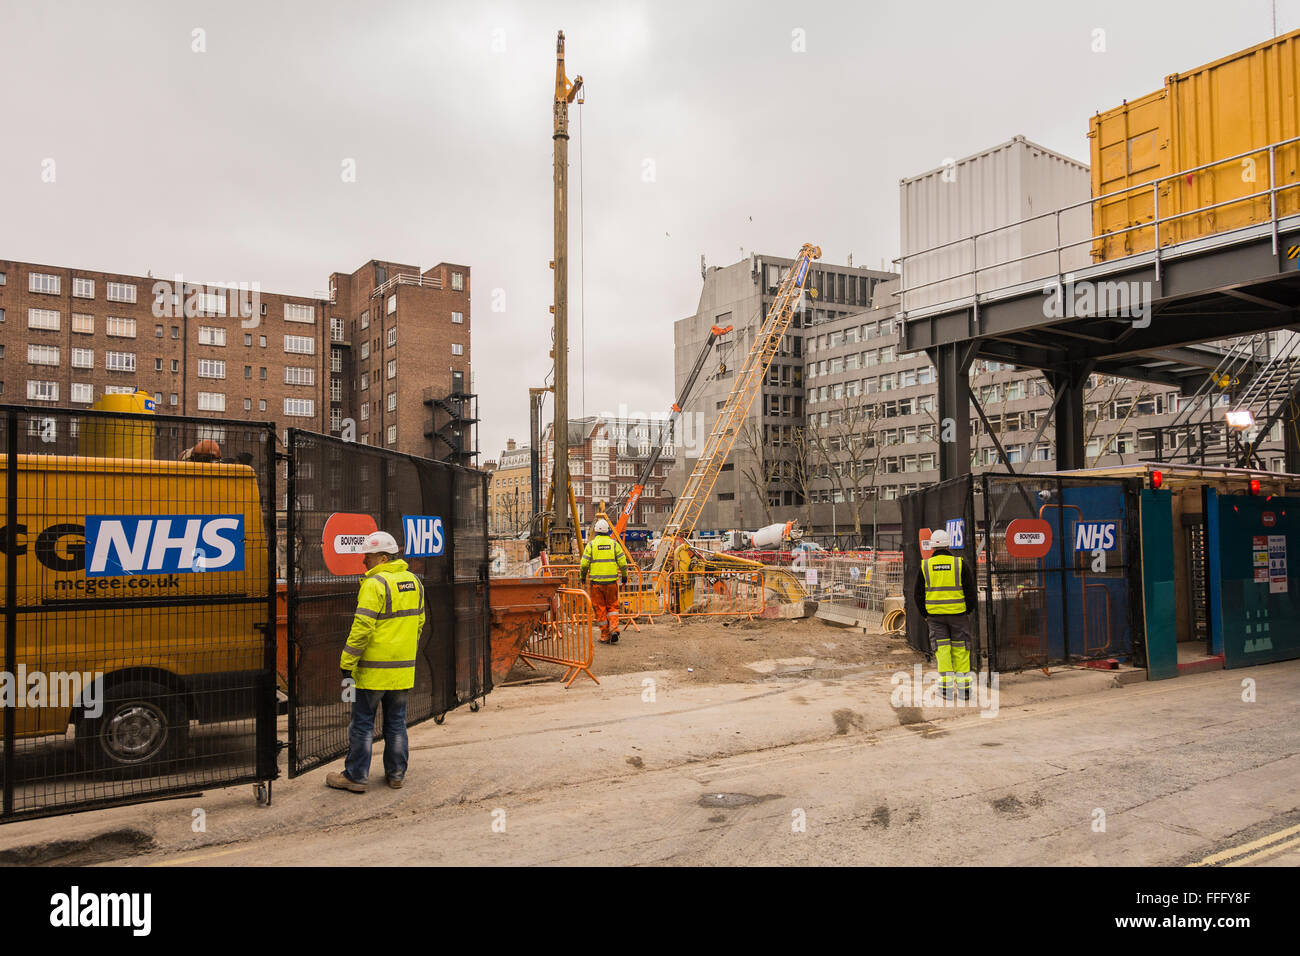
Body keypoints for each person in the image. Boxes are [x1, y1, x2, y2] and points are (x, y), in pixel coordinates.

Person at [327, 530, 425, 793]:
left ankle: (356, 776)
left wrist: (347, 661)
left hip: (372, 671)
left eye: (368, 557)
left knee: (362, 724)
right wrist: (402, 653)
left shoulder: (374, 584)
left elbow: (362, 628)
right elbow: (419, 623)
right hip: (402, 671)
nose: (364, 562)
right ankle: (395, 774)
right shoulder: (414, 582)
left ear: (382, 557)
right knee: (396, 722)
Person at [913, 528, 978, 700]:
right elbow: (970, 591)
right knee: (961, 651)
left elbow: (917, 594)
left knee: (942, 652)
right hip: (959, 616)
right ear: (949, 544)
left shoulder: (925, 566)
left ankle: (947, 690)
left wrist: (925, 614)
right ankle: (964, 691)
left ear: (932, 546)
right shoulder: (959, 564)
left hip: (935, 618)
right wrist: (967, 610)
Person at [579, 517, 629, 644]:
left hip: (597, 584)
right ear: (607, 531)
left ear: (596, 531)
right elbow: (623, 563)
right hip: (612, 583)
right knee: (612, 607)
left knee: (600, 608)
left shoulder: (591, 545)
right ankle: (613, 628)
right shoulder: (614, 544)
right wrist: (624, 576)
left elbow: (584, 564)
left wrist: (582, 577)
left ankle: (605, 635)